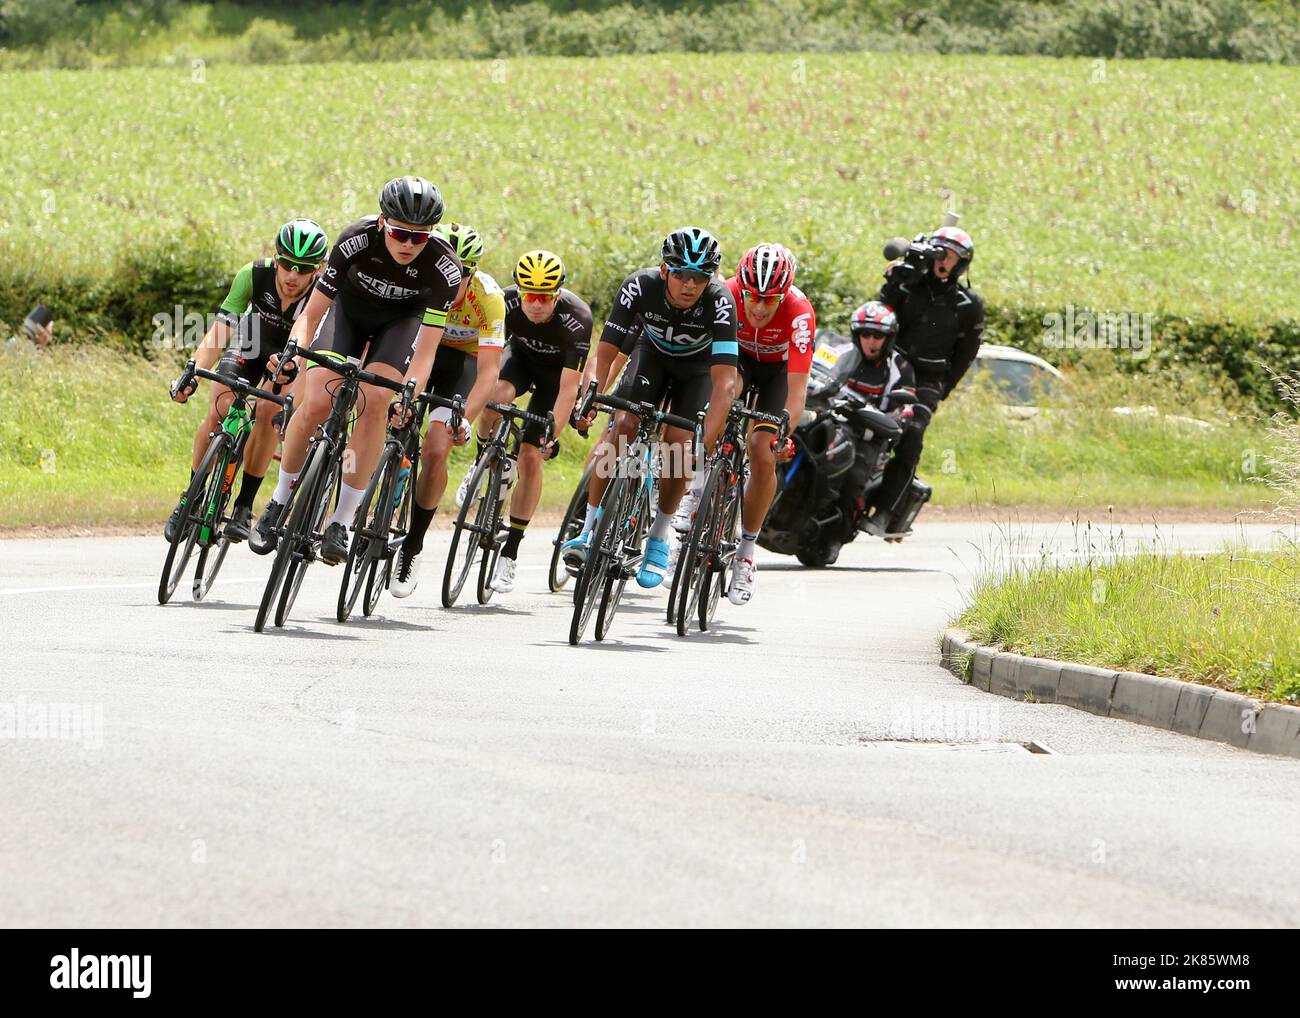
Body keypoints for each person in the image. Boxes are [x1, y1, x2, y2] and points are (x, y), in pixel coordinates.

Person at [250, 176, 461, 565]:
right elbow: (311, 313)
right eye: (401, 234)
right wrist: (293, 352)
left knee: (377, 400)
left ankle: (341, 522)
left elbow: (427, 349)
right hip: (348, 312)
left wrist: (410, 392)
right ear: (383, 223)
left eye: (420, 238)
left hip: (400, 324)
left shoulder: (445, 268)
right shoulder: (356, 239)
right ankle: (279, 501)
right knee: (314, 403)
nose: (408, 245)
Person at [563, 227, 737, 590]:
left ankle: (659, 535)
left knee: (677, 444)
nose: (690, 285)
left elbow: (725, 383)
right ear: (663, 270)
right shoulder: (639, 286)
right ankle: (590, 525)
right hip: (651, 358)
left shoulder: (720, 302)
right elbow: (606, 352)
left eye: (699, 278)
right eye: (681, 275)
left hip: (697, 371)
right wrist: (591, 395)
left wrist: (704, 442)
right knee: (622, 425)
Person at [166, 219, 328, 543]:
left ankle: (244, 505)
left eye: (304, 268)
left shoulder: (323, 294)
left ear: (318, 269)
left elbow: (313, 348)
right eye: (287, 265)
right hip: (252, 338)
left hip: (291, 355)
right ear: (276, 257)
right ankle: (191, 495)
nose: (293, 276)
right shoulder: (252, 274)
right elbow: (220, 331)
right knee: (217, 409)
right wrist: (193, 370)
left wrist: (291, 373)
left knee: (269, 412)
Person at [686, 242, 814, 606]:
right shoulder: (725, 293)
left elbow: (798, 388)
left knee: (761, 451)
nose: (758, 308)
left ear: (784, 295)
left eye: (769, 300)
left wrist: (784, 432)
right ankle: (694, 494)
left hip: (777, 375)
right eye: (752, 297)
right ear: (741, 287)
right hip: (737, 362)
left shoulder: (800, 312)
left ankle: (745, 553)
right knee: (723, 399)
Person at [461, 250, 592, 595]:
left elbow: (567, 389)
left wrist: (554, 431)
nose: (535, 304)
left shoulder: (577, 318)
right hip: (520, 360)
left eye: (544, 297)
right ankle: (483, 462)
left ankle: (511, 552)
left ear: (557, 294)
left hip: (555, 378)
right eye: (528, 295)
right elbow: (488, 358)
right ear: (519, 291)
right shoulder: (504, 302)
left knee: (531, 456)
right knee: (496, 396)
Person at [390, 222, 505, 598]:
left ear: (474, 271)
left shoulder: (488, 298)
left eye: (465, 272)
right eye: (451, 267)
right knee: (387, 417)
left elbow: (489, 374)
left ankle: (413, 545)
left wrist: (465, 420)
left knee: (436, 449)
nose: (456, 278)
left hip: (463, 364)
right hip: (423, 350)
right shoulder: (419, 278)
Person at [866, 225, 983, 535]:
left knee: (912, 433)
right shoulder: (909, 284)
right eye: (938, 252)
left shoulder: (967, 305)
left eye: (950, 255)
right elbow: (879, 315)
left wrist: (942, 389)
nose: (941, 259)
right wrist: (892, 282)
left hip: (927, 378)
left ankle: (887, 509)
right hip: (889, 366)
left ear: (961, 263)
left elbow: (966, 353)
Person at [833, 301, 916, 551]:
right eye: (865, 334)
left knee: (853, 477)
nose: (871, 341)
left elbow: (907, 409)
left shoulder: (898, 367)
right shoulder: (841, 353)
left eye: (877, 335)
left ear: (888, 337)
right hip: (832, 423)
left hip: (869, 437)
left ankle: (838, 533)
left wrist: (893, 418)